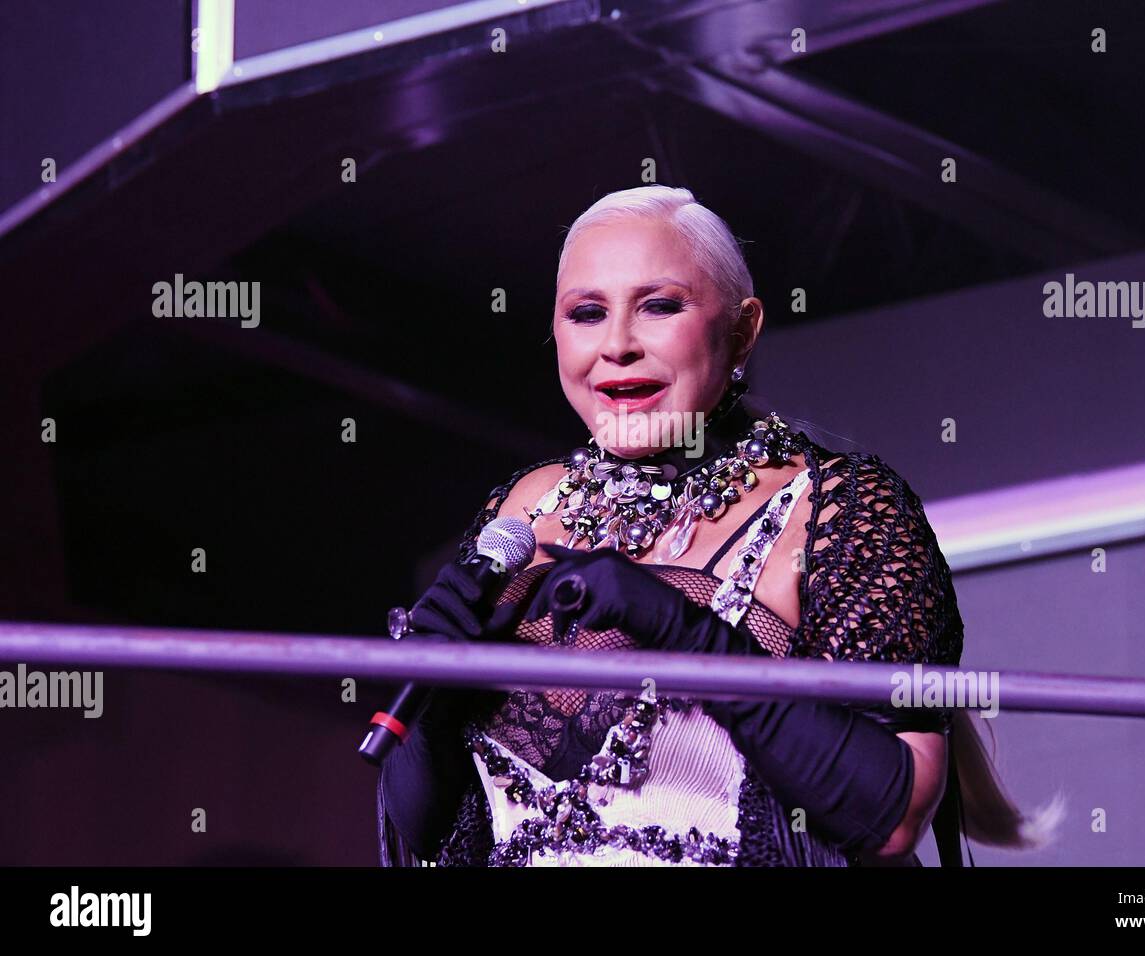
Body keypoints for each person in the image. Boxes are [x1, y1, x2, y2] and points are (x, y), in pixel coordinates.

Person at [378, 185, 1060, 867]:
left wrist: (689, 635)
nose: (616, 344)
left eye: (660, 306)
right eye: (587, 313)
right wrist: (432, 706)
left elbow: (891, 820)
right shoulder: (522, 507)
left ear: (741, 330)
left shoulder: (837, 507)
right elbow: (428, 830)